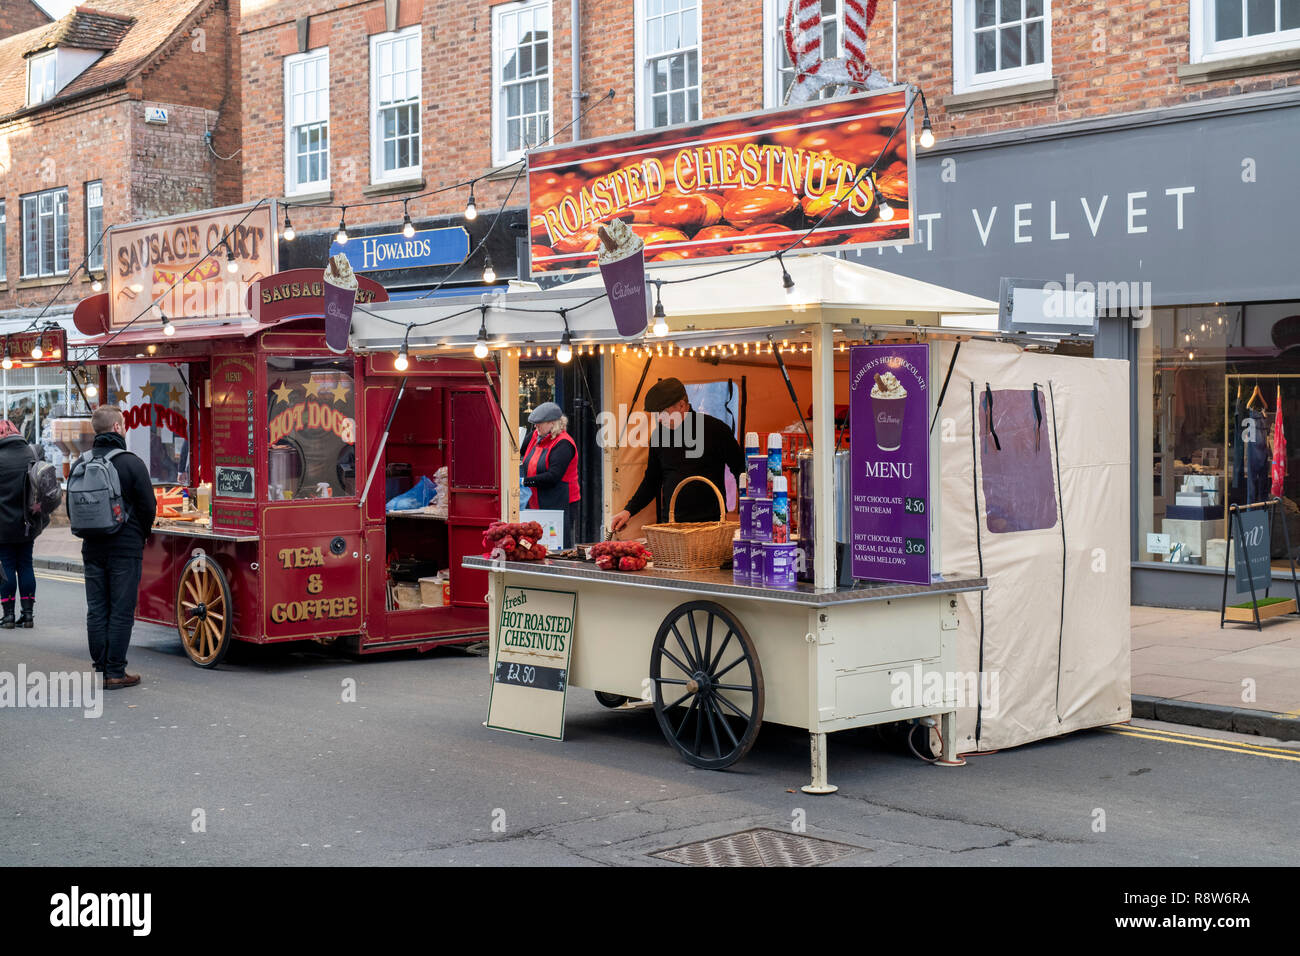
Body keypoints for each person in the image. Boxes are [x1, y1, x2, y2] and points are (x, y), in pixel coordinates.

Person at [79, 405, 156, 689]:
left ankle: (101, 665)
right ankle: (115, 672)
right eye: (123, 424)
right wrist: (141, 534)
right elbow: (149, 506)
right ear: (116, 428)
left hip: (92, 546)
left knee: (97, 608)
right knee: (121, 609)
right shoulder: (131, 462)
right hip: (125, 547)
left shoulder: (82, 462)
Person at [611, 377, 745, 531]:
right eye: (657, 414)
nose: (660, 419)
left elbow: (741, 470)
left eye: (664, 412)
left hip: (710, 527)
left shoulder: (716, 429)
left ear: (682, 405)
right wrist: (628, 511)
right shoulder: (659, 435)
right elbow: (652, 481)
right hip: (671, 526)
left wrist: (746, 511)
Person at [521, 402, 580, 547]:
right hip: (535, 501)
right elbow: (519, 455)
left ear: (553, 423)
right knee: (532, 545)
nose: (536, 427)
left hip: (560, 502)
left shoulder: (564, 444)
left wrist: (523, 482)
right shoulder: (535, 436)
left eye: (539, 423)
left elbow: (553, 477)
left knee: (555, 545)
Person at [0, 418, 39, 627]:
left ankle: (7, 616)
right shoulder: (31, 453)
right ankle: (28, 614)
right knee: (25, 565)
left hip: (2, 526)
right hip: (28, 521)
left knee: (5, 567)